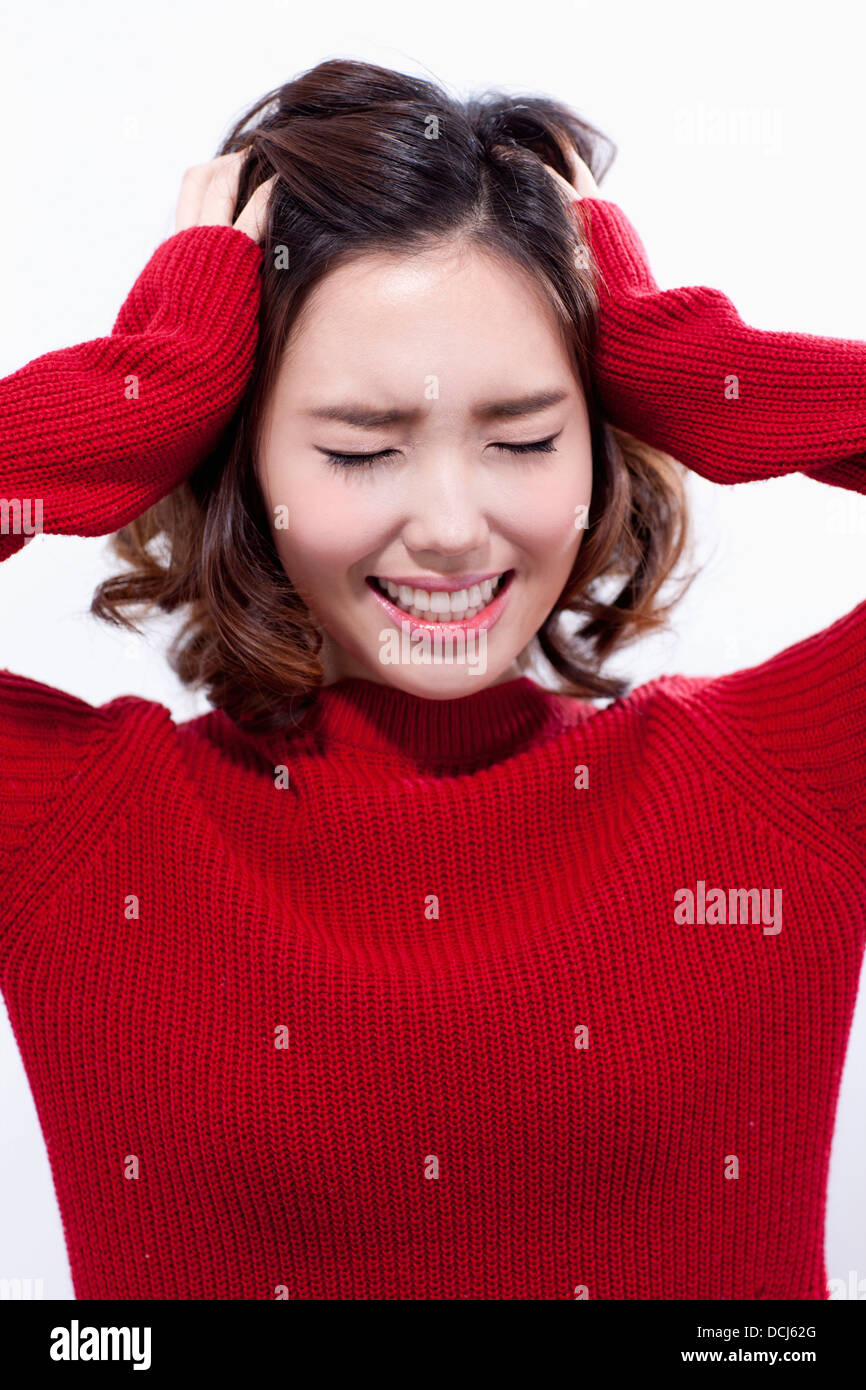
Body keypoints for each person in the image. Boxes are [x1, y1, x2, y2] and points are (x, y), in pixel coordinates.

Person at [1, 58, 863, 1301]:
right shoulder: (77, 831)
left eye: (521, 439)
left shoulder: (775, 787)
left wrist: (706, 366)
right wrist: (136, 390)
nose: (451, 526)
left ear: (602, 430)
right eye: (361, 449)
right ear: (238, 458)